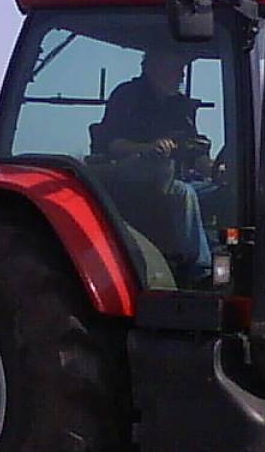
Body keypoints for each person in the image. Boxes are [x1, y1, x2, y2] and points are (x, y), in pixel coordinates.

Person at [91, 46, 215, 278]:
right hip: (133, 177)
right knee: (184, 194)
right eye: (176, 69)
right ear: (154, 68)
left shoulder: (181, 106)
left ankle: (224, 262)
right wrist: (149, 148)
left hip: (175, 175)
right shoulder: (127, 96)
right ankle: (200, 270)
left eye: (182, 70)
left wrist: (213, 168)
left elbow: (193, 152)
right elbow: (111, 144)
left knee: (227, 192)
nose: (181, 76)